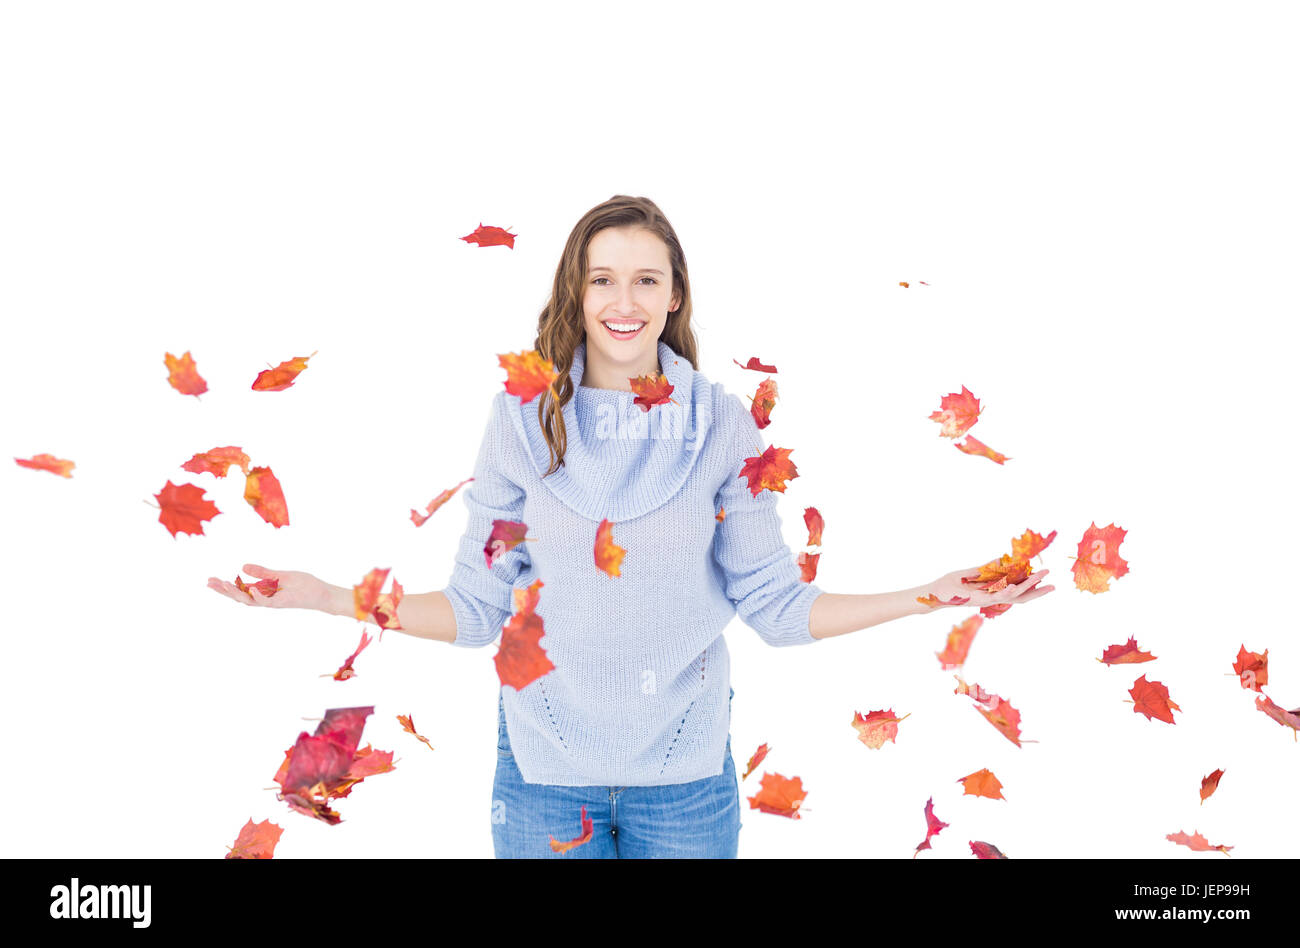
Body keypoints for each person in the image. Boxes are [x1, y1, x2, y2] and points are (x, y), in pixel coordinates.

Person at [207, 194, 1054, 858]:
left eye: (647, 279)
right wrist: (322, 596)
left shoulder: (725, 426)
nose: (624, 299)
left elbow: (779, 609)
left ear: (674, 294)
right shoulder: (520, 423)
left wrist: (928, 595)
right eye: (602, 277)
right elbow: (474, 613)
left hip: (685, 789)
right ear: (576, 291)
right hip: (543, 780)